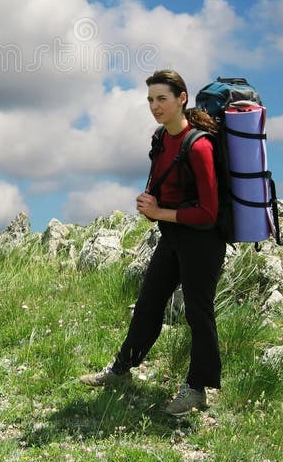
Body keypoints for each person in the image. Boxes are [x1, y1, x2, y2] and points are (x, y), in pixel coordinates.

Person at [80, 69, 226, 417]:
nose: (155, 106)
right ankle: (121, 370)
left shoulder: (199, 146)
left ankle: (197, 389)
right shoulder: (161, 138)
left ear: (182, 99)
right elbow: (160, 187)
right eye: (150, 100)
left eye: (162, 98)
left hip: (203, 241)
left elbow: (208, 213)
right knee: (148, 303)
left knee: (198, 312)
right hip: (172, 236)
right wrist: (152, 208)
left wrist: (160, 211)